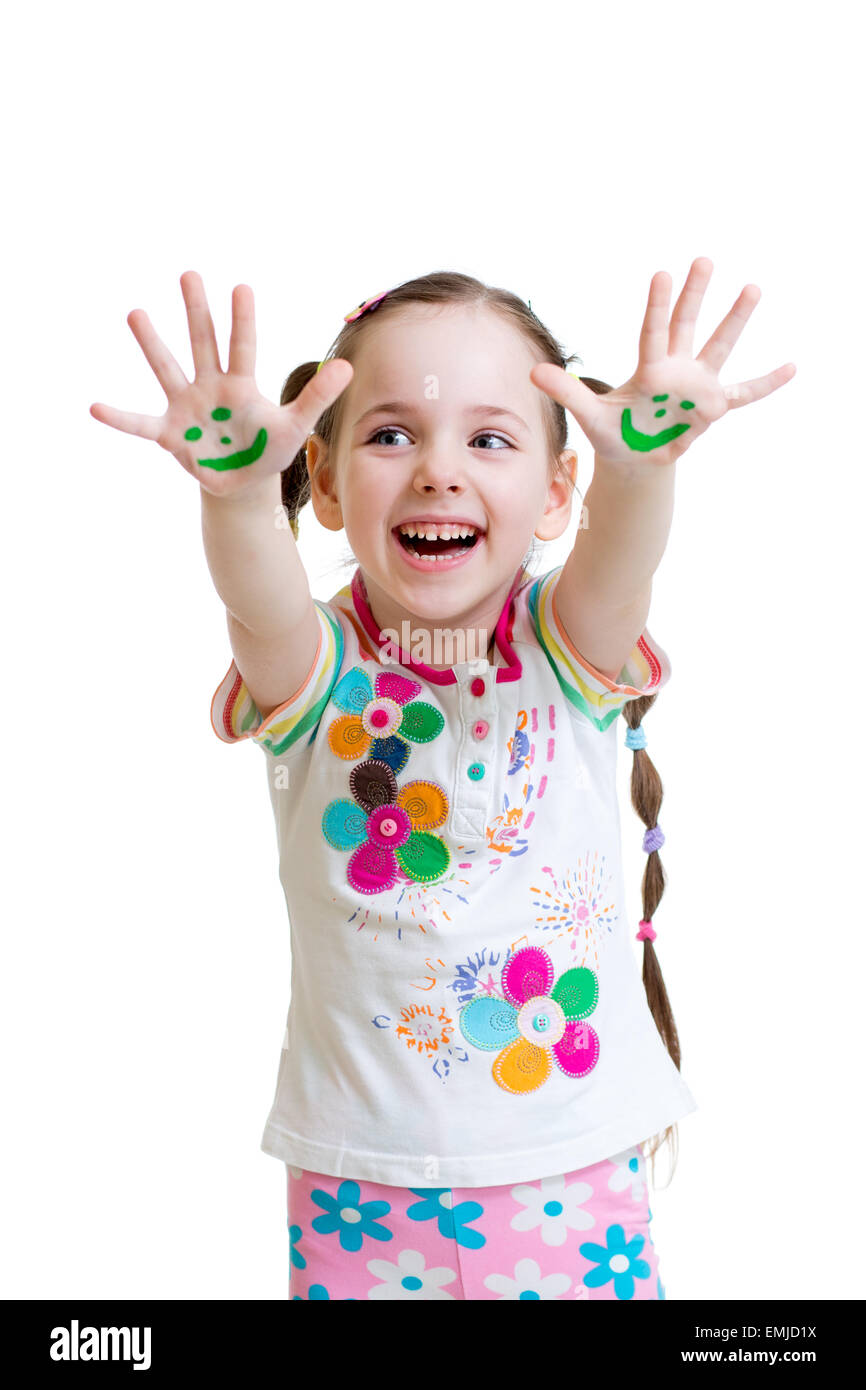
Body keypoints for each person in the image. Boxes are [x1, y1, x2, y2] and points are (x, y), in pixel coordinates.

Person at [91, 261, 794, 1301]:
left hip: (569, 1166)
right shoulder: (315, 671)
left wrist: (641, 473)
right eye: (389, 435)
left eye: (490, 438)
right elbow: (261, 601)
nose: (436, 470)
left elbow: (618, 566)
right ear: (323, 483)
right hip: (355, 1180)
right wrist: (239, 500)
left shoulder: (568, 646)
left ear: (558, 491)